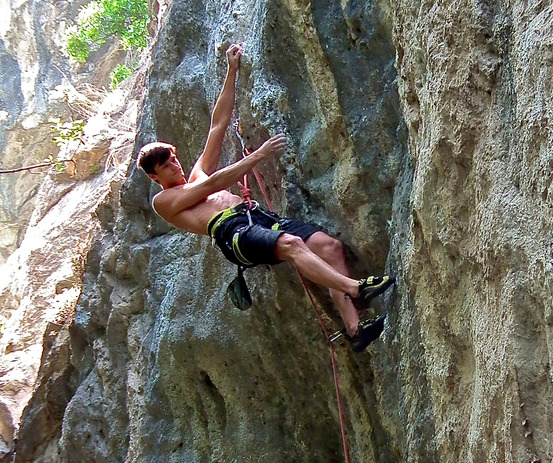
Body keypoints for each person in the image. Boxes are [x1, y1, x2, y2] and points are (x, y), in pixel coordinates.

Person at [136, 45, 394, 351]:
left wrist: (231, 70)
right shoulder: (164, 202)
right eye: (166, 166)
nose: (175, 166)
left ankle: (355, 329)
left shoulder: (196, 174)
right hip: (232, 233)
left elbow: (218, 124)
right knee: (291, 245)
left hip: (256, 218)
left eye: (173, 159)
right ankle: (355, 288)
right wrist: (258, 155)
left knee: (329, 247)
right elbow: (214, 184)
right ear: (154, 177)